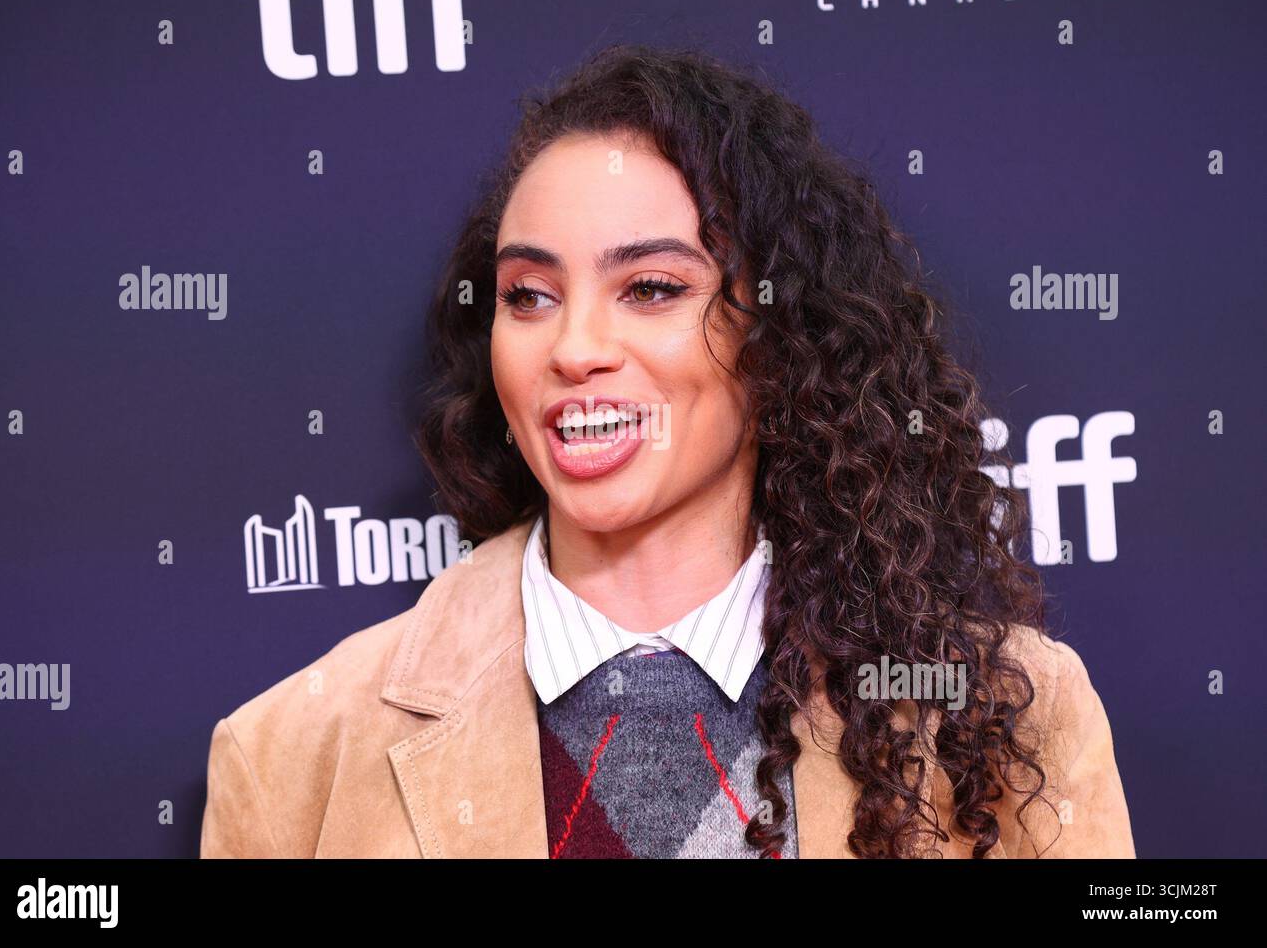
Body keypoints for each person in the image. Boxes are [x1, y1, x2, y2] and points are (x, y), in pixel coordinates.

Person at [200, 44, 1134, 859]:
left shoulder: (1011, 717)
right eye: (529, 295)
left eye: (649, 287)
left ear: (780, 328)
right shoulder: (292, 755)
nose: (572, 349)